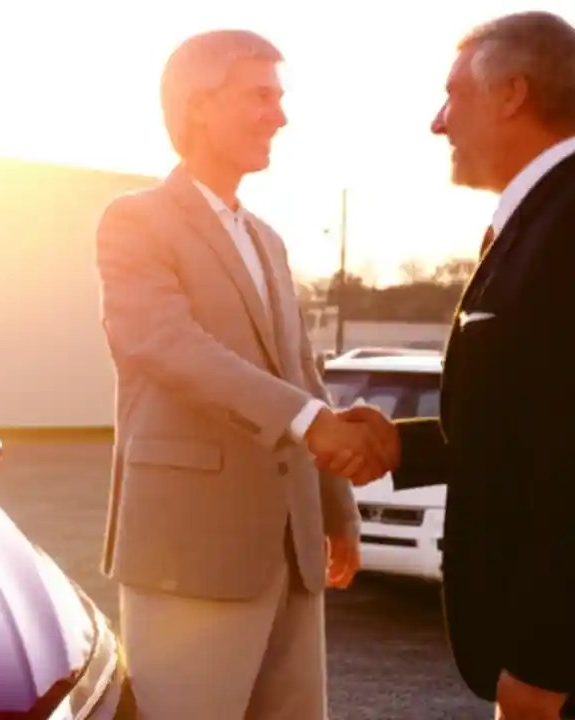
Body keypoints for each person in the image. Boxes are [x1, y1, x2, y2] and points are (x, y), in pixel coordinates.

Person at [335, 11, 575, 720]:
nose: (438, 122)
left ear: (512, 93)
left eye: (453, 95)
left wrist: (544, 664)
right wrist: (397, 442)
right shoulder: (541, 219)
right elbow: (534, 422)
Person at [94, 29, 391, 719]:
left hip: (292, 552)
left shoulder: (267, 238)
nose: (279, 116)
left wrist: (339, 510)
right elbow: (165, 342)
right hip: (189, 552)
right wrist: (312, 421)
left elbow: (303, 374)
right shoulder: (135, 222)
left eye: (279, 98)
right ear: (199, 106)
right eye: (261, 96)